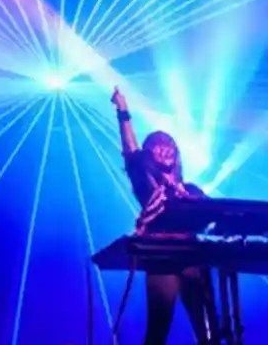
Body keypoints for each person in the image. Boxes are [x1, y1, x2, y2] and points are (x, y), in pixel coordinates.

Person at [112, 87, 218, 344]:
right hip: (162, 254)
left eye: (170, 145)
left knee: (210, 334)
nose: (165, 150)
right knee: (158, 330)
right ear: (149, 153)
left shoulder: (191, 190)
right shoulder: (145, 180)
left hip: (193, 255)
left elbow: (217, 215)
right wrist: (123, 110)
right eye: (158, 146)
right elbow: (130, 151)